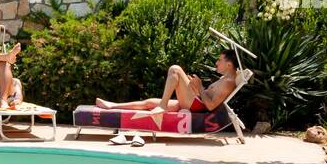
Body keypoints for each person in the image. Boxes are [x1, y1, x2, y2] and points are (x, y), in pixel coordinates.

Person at [96, 51, 239, 119]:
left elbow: (211, 106)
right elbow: (207, 96)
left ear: (229, 64)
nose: (216, 63)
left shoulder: (228, 83)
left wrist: (200, 87)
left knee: (175, 69)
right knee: (149, 103)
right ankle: (112, 105)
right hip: (195, 100)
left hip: (197, 106)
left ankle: (163, 106)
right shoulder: (224, 79)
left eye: (219, 60)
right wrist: (195, 87)